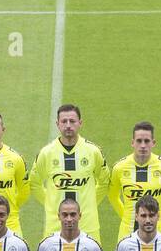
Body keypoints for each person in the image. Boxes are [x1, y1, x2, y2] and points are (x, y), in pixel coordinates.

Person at [29, 104, 109, 242]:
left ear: (80, 123)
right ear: (57, 124)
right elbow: (34, 184)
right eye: (63, 121)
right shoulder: (46, 153)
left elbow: (104, 181)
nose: (68, 125)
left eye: (72, 121)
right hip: (55, 227)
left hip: (87, 226)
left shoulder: (93, 151)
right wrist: (51, 204)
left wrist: (90, 203)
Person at [107, 121, 161, 242]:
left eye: (147, 141)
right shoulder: (119, 167)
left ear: (153, 143)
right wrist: (126, 216)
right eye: (139, 141)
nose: (143, 145)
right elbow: (112, 196)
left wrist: (160, 218)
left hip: (158, 231)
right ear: (132, 143)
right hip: (127, 231)